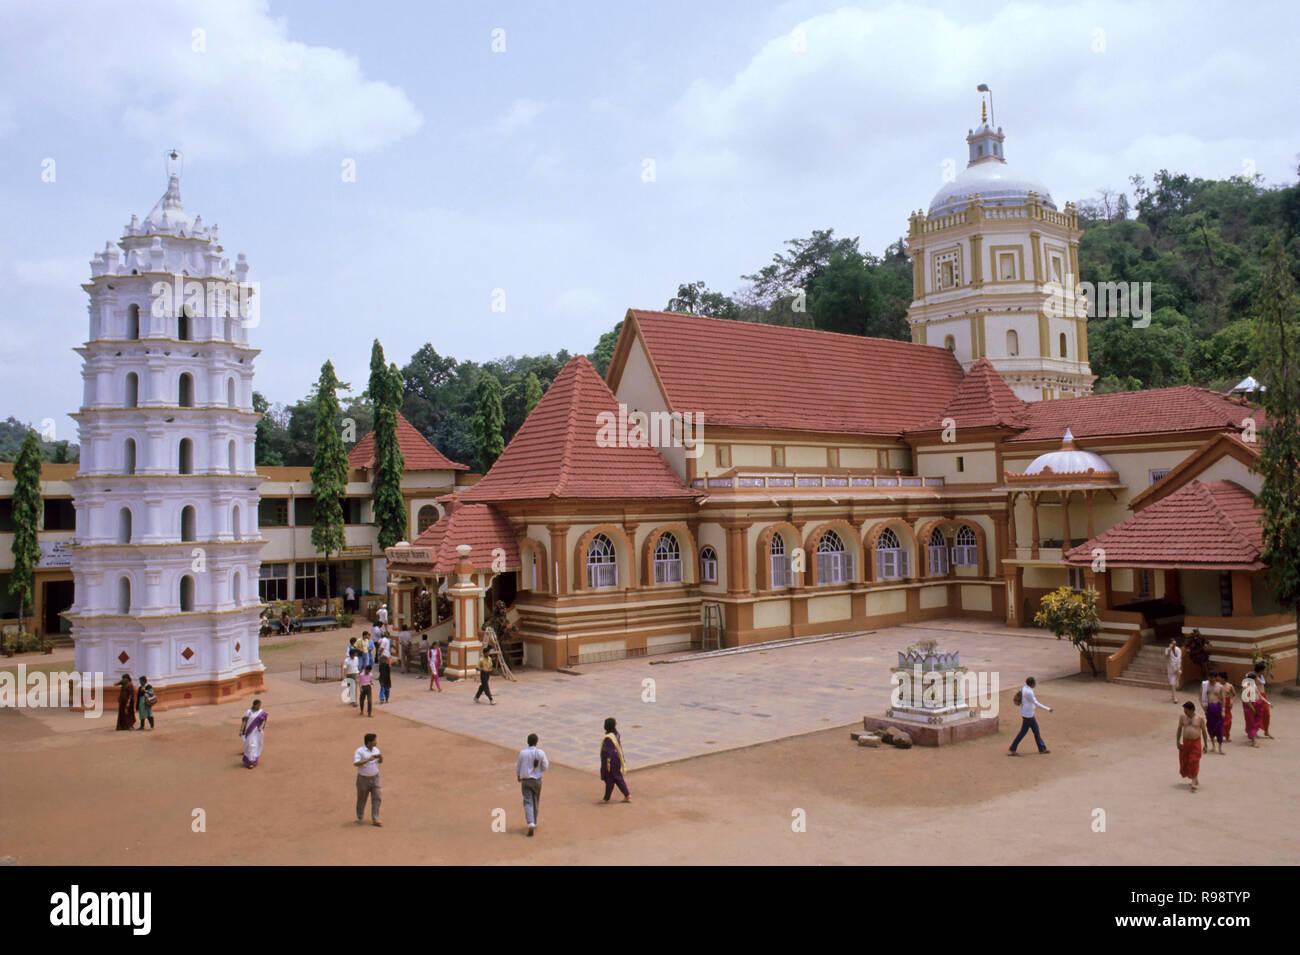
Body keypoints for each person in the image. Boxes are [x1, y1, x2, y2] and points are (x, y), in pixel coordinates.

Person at [516, 732, 549, 836]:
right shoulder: (540, 753)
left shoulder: (522, 753)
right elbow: (545, 766)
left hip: (526, 780)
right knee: (535, 800)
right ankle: (534, 821)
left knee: (527, 801)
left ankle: (530, 822)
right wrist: (539, 771)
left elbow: (518, 766)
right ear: (536, 742)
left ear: (527, 742)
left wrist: (518, 776)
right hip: (537, 780)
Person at [1008, 676, 1051, 755]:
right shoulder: (1029, 692)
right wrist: (1047, 708)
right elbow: (1036, 703)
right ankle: (1013, 748)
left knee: (1036, 731)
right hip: (1028, 715)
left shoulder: (1024, 688)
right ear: (1032, 684)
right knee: (1023, 733)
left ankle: (1042, 748)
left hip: (1027, 714)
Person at [1177, 701, 1209, 791]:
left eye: (1186, 710)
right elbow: (1179, 729)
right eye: (1184, 710)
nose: (1185, 712)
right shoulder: (1182, 717)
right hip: (1186, 742)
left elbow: (1204, 732)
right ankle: (1195, 779)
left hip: (1195, 743)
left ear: (1191, 710)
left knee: (1193, 761)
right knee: (1186, 761)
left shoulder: (1200, 718)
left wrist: (1206, 744)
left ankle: (1193, 782)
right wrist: (1177, 741)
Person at [354, 732, 383, 827]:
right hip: (363, 779)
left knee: (377, 797)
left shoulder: (376, 750)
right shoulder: (360, 751)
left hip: (375, 777)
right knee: (362, 798)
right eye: (374, 740)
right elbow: (356, 763)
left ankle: (375, 817)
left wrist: (381, 758)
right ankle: (360, 814)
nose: (376, 742)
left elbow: (380, 761)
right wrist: (368, 760)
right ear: (369, 742)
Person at [600, 717, 631, 802]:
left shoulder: (608, 738)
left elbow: (609, 751)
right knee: (618, 778)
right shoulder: (616, 734)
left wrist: (608, 763)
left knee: (610, 779)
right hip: (616, 759)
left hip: (611, 762)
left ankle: (606, 798)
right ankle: (627, 794)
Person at [240, 699, 267, 768]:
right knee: (248, 745)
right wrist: (241, 730)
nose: (259, 706)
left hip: (256, 732)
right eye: (258, 705)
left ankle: (251, 761)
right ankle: (248, 759)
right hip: (248, 731)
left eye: (260, 705)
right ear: (254, 705)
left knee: (254, 745)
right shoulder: (249, 712)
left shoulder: (261, 712)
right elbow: (244, 722)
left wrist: (260, 727)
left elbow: (263, 720)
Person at [1204, 674, 1225, 754]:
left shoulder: (1220, 687)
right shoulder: (1205, 685)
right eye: (1209, 677)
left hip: (1217, 707)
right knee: (1210, 726)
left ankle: (1220, 747)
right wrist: (1204, 707)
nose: (1211, 678)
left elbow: (1223, 699)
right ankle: (1213, 746)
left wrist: (1223, 710)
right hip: (1209, 708)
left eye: (1212, 677)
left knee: (1219, 727)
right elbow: (1202, 696)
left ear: (1215, 677)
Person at [1241, 673, 1264, 746]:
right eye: (1256, 678)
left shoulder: (1254, 686)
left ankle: (1252, 735)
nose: (1257, 679)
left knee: (1256, 721)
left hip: (1255, 705)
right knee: (1251, 722)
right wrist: (1253, 709)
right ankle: (1253, 740)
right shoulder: (1246, 687)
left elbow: (1259, 695)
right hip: (1249, 706)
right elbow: (1246, 700)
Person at [1252, 663, 1274, 739]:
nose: (1264, 671)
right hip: (1257, 696)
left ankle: (1266, 731)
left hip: (1263, 695)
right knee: (1257, 714)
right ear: (1260, 670)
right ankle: (1254, 731)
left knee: (1267, 713)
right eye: (1263, 670)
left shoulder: (1261, 676)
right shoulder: (1253, 676)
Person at [1163, 639, 1182, 703]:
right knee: (1172, 683)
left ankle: (1174, 696)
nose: (1174, 645)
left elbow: (1179, 659)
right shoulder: (1167, 649)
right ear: (1170, 644)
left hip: (1177, 667)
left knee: (1175, 683)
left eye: (1175, 644)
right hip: (1171, 668)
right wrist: (1169, 649)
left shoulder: (1178, 649)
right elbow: (1166, 655)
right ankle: (1174, 697)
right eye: (1173, 644)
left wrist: (1180, 666)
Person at [1220, 672, 1235, 742]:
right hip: (1219, 703)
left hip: (1227, 704)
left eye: (1220, 677)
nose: (1218, 679)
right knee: (1220, 720)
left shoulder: (1230, 686)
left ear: (1223, 678)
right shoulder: (1217, 685)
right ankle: (1221, 735)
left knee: (1228, 721)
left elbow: (1234, 695)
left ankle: (1227, 735)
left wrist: (1232, 702)